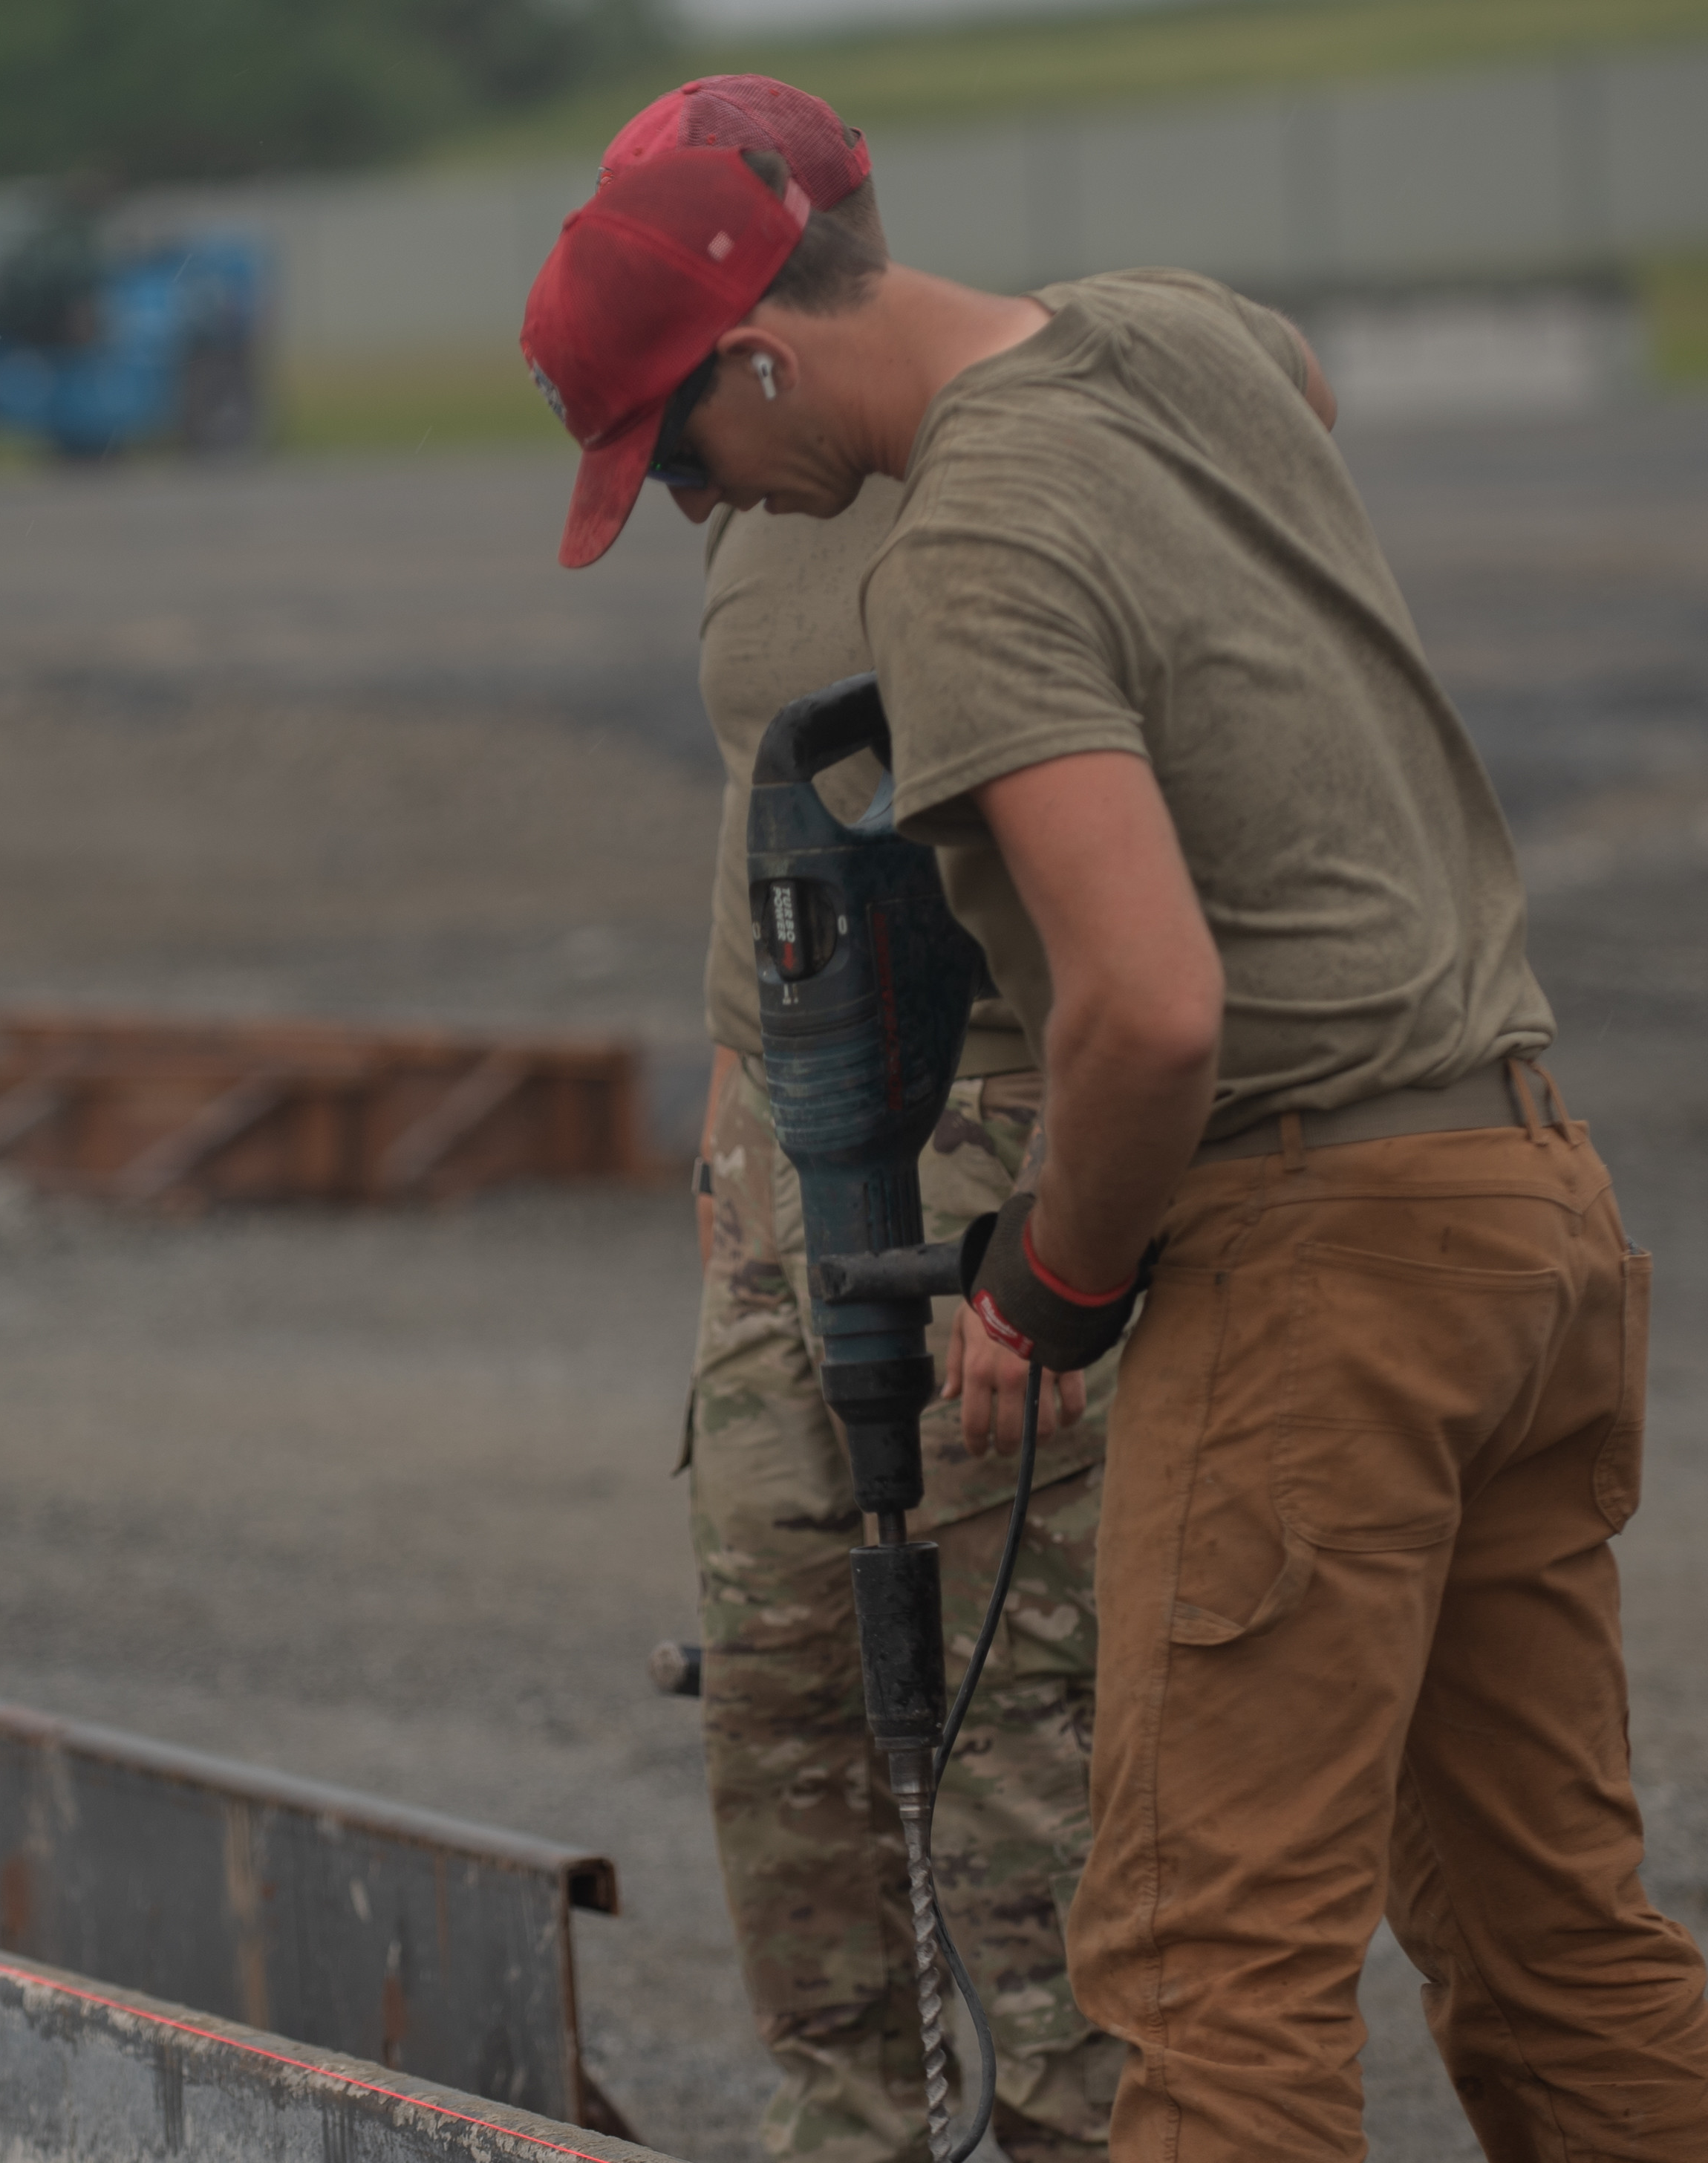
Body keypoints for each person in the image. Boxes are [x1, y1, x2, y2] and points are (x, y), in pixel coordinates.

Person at [521, 135, 1708, 2162]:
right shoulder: (1168, 346)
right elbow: (1291, 372)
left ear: (762, 356)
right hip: (1521, 1190)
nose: (694, 507)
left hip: (1316, 1247)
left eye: (680, 455)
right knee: (1549, 1941)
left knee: (1198, 1978)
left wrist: (1052, 1279)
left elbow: (1148, 1006)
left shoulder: (966, 549)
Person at [600, 77, 1121, 2163]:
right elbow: (776, 805)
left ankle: (1087, 2125)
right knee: (795, 1697)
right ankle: (857, 2123)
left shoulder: (1030, 397)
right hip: (791, 1144)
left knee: (1012, 1716)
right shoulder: (765, 483)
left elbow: (1285, 391)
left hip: (998, 1114)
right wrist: (733, 1122)